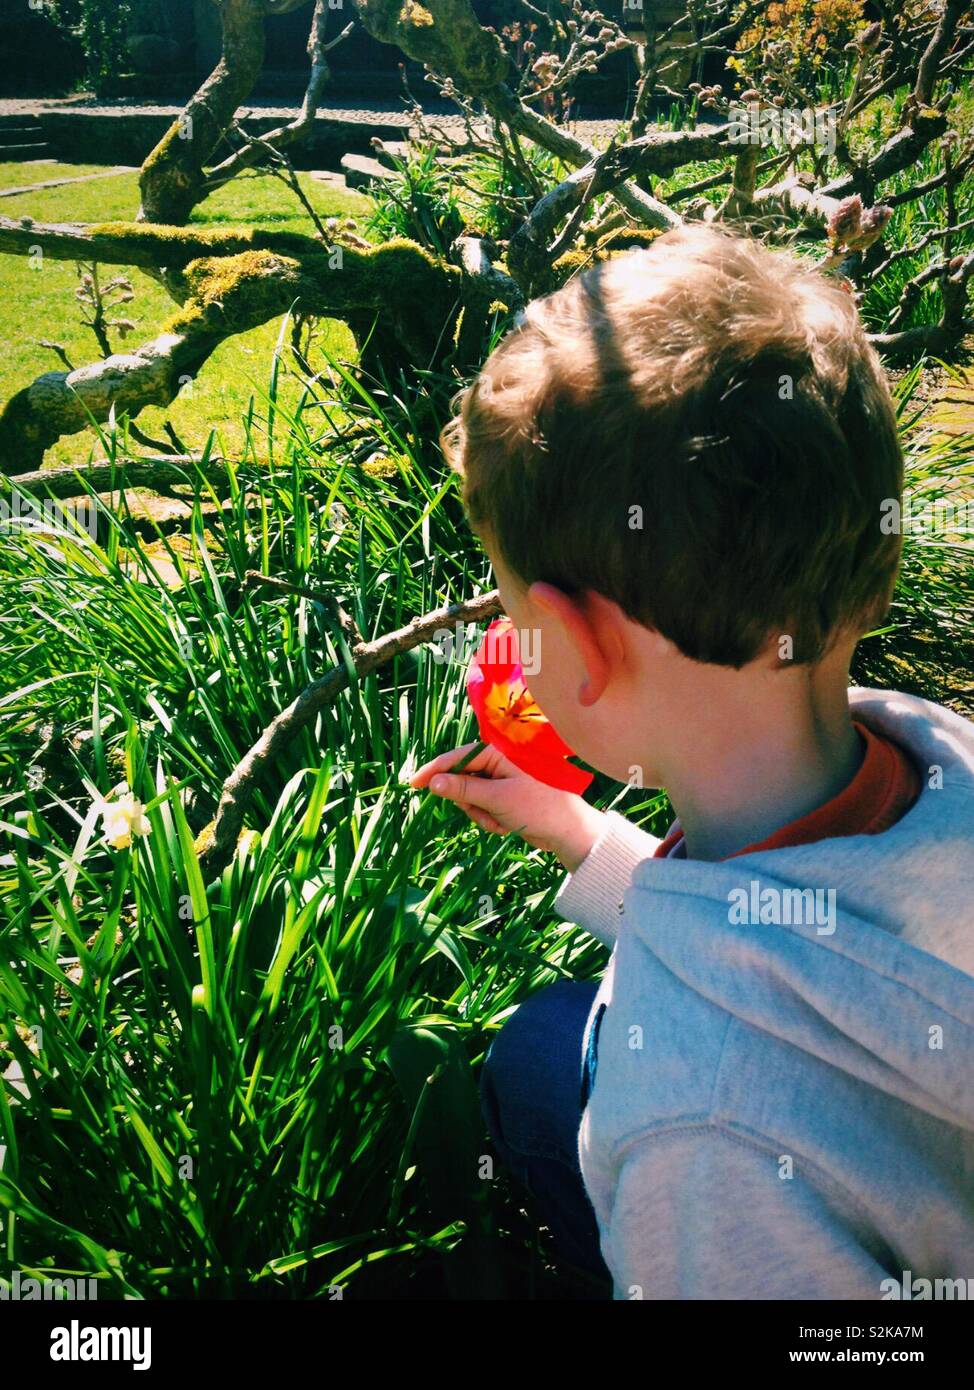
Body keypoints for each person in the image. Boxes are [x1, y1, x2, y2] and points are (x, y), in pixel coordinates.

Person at [411, 225, 974, 1300]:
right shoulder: (928, 756)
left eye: (508, 608)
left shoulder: (701, 1139)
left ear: (575, 650)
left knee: (526, 1066)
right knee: (540, 1048)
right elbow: (811, 944)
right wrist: (583, 838)